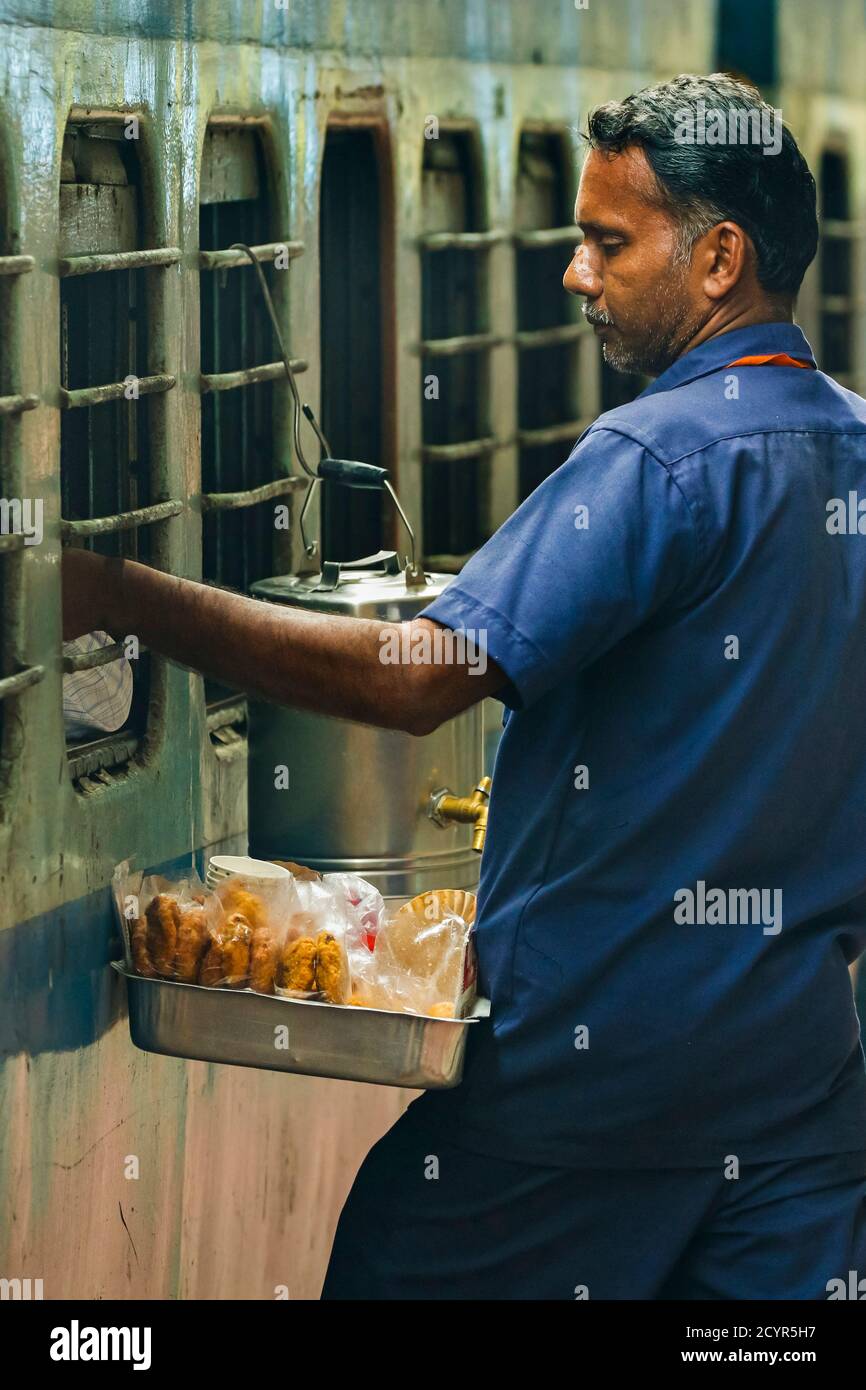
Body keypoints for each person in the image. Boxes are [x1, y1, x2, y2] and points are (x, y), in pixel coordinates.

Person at [63, 72, 866, 1299]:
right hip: (796, 1106)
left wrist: (121, 596)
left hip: (585, 1096)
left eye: (607, 242)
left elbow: (415, 681)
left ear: (717, 260)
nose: (575, 275)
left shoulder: (655, 460)